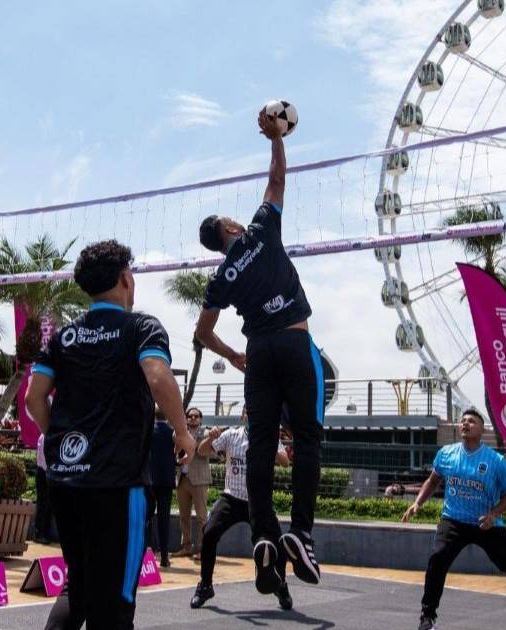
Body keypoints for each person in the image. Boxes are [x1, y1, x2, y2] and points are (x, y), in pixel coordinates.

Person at [27, 239, 196, 630]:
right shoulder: (141, 327)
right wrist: (183, 431)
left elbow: (35, 398)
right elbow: (157, 376)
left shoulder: (64, 337)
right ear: (125, 278)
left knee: (78, 587)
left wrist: (59, 438)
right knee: (115, 605)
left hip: (65, 481)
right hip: (118, 486)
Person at [194, 106, 323, 594]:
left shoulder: (220, 278)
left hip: (258, 354)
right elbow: (277, 179)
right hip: (293, 340)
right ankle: (303, 535)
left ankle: (266, 538)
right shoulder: (260, 230)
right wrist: (275, 137)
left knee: (264, 448)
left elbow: (202, 333)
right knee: (308, 439)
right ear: (228, 224)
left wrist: (231, 356)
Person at [402, 409, 506, 630]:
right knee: (438, 559)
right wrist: (418, 502)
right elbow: (433, 480)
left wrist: (494, 514)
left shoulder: (495, 461)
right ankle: (427, 617)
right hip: (454, 520)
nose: (466, 424)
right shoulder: (446, 453)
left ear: (482, 429)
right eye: (463, 421)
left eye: (472, 421)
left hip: (485, 523)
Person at [190, 409, 293, 611]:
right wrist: (210, 438)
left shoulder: (268, 436)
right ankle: (205, 586)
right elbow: (201, 451)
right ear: (244, 416)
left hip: (259, 501)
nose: (253, 415)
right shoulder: (231, 435)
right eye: (249, 411)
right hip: (232, 497)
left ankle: (280, 585)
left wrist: (268, 446)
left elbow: (285, 462)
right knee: (209, 533)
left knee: (277, 543)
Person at [175, 407, 211, 559]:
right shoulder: (179, 433)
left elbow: (213, 452)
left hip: (200, 480)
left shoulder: (207, 434)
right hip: (182, 479)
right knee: (184, 516)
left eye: (196, 416)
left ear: (201, 419)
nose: (193, 418)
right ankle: (186, 546)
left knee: (202, 516)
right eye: (190, 416)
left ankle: (202, 549)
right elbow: (175, 449)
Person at [148, 413, 176, 567]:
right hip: (166, 481)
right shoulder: (172, 433)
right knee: (163, 519)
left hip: (149, 480)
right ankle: (164, 557)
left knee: (147, 518)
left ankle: (148, 554)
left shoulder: (148, 431)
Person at [33, 433, 56, 544]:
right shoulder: (43, 437)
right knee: (42, 502)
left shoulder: (52, 435)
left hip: (50, 472)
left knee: (50, 503)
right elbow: (42, 457)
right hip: (43, 471)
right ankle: (38, 533)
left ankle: (46, 533)